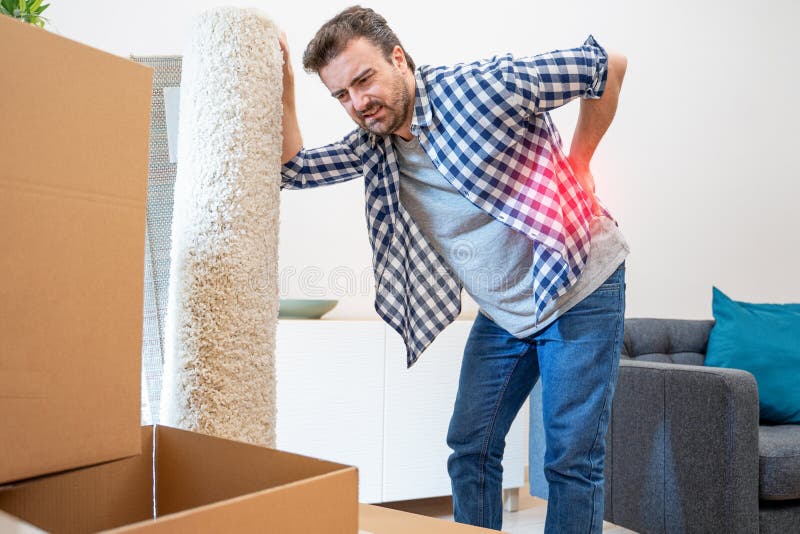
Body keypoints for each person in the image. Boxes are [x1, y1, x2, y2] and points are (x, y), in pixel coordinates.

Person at [278, 6, 628, 533]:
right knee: (470, 447)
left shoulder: (481, 88)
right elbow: (295, 170)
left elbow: (609, 64)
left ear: (398, 57)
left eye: (364, 79)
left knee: (570, 461)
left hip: (578, 283)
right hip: (507, 311)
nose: (358, 103)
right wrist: (283, 84)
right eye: (341, 95)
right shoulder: (375, 144)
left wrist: (579, 162)